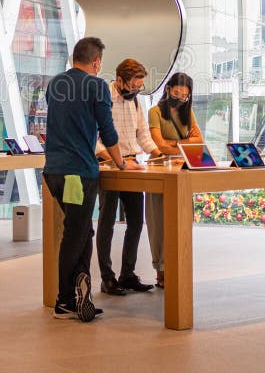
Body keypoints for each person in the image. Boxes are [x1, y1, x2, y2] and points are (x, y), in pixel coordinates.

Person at [43, 37, 142, 322]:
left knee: (83, 231)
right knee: (75, 236)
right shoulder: (97, 86)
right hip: (78, 174)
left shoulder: (55, 84)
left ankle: (80, 296)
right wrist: (121, 163)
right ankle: (64, 301)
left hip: (54, 172)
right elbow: (108, 132)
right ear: (96, 62)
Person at [95, 59, 162, 296]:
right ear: (120, 80)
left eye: (139, 87)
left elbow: (143, 134)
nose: (135, 91)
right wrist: (113, 159)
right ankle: (107, 278)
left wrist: (158, 154)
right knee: (107, 223)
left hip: (132, 164)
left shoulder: (135, 101)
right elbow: (94, 137)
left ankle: (127, 274)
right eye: (132, 86)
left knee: (136, 221)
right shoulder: (103, 97)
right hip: (108, 166)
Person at [146, 72, 203, 288]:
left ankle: (178, 267)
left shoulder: (188, 112)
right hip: (159, 170)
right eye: (177, 94)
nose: (180, 99)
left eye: (184, 96)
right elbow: (158, 145)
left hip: (182, 168)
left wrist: (174, 144)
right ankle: (161, 271)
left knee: (183, 220)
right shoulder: (155, 112)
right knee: (158, 222)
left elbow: (199, 140)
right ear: (168, 89)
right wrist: (183, 143)